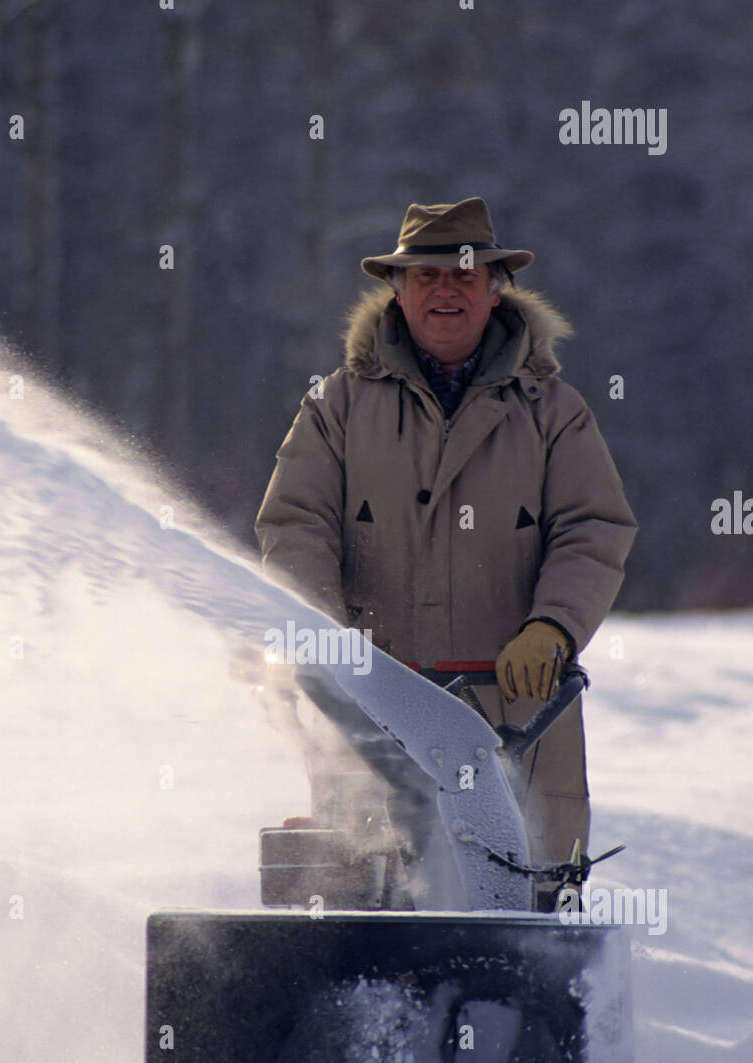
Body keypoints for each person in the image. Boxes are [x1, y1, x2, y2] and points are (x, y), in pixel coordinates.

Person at [255, 197, 637, 869]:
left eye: (463, 274)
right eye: (426, 276)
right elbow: (294, 524)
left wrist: (553, 626)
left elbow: (592, 528)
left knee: (526, 896)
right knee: (367, 891)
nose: (445, 290)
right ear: (396, 292)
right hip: (374, 707)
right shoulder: (334, 407)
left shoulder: (553, 413)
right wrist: (328, 639)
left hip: (522, 712)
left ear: (495, 290)